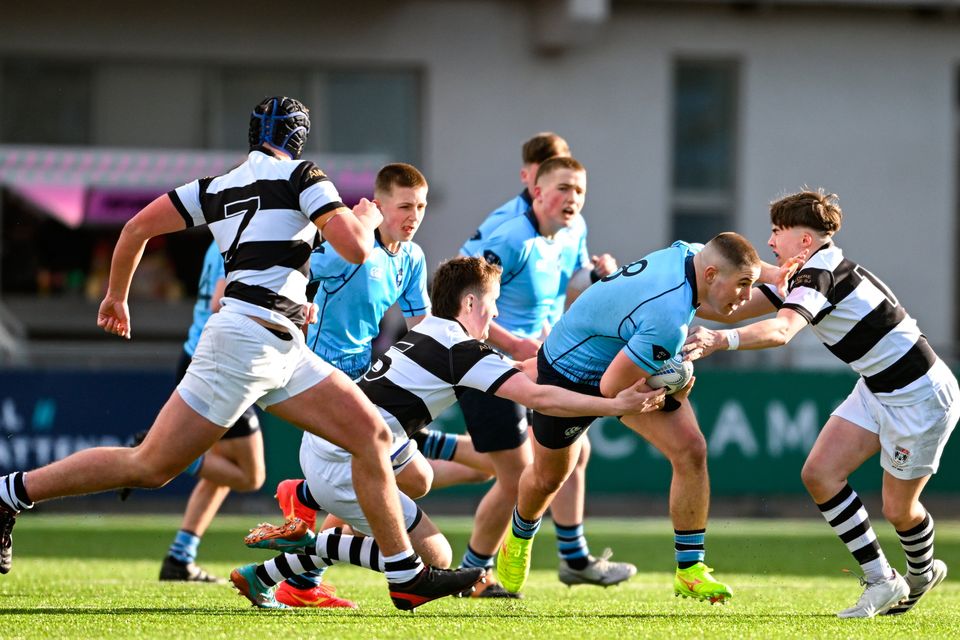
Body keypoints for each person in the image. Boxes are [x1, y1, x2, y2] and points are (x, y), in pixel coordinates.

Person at [0, 96, 484, 611]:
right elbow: (356, 249)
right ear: (298, 139)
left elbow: (136, 227)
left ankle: (404, 575)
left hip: (279, 341)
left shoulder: (217, 185)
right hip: (248, 341)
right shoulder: (304, 175)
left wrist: (116, 296)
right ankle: (11, 490)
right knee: (149, 466)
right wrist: (361, 216)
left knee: (370, 435)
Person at [228, 256, 665, 607]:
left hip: (339, 444)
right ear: (471, 305)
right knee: (433, 558)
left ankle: (264, 569)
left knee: (420, 479)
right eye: (492, 304)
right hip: (345, 460)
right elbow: (541, 399)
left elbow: (519, 372)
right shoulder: (463, 350)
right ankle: (306, 540)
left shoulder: (432, 333)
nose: (494, 315)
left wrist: (594, 372)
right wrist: (613, 405)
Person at [682, 189, 959, 618]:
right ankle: (882, 580)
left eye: (778, 232)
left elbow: (781, 331)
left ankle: (922, 572)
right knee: (820, 474)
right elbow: (730, 309)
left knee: (898, 510)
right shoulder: (801, 273)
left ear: (805, 241)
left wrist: (721, 341)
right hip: (877, 387)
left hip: (919, 395)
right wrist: (678, 285)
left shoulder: (819, 274)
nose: (771, 242)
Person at [497, 232, 772, 601]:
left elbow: (731, 260)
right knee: (549, 478)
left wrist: (778, 275)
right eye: (743, 285)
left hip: (622, 354)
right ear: (710, 275)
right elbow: (613, 389)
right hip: (569, 371)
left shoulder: (690, 253)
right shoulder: (668, 320)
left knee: (691, 449)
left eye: (751, 285)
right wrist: (679, 384)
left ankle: (690, 570)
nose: (746, 295)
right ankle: (519, 535)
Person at [429, 150, 632, 595]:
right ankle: (473, 576)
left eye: (579, 190)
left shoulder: (573, 229)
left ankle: (573, 557)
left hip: (543, 360)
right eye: (562, 188)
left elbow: (572, 290)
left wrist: (603, 279)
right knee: (516, 473)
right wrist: (511, 341)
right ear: (535, 190)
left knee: (573, 452)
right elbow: (452, 296)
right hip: (489, 362)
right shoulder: (510, 237)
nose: (572, 197)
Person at [268, 161, 432, 608]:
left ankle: (299, 579)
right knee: (396, 497)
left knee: (414, 480)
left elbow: (423, 328)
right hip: (321, 377)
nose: (413, 215)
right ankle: (304, 499)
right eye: (403, 206)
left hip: (367, 379)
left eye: (420, 206)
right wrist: (298, 306)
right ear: (378, 207)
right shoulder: (349, 249)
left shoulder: (412, 258)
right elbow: (294, 270)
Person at [126, 240, 267, 584]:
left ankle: (180, 557)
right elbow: (222, 302)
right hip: (218, 363)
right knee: (251, 476)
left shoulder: (219, 239)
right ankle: (167, 452)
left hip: (205, 356)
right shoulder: (242, 239)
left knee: (223, 471)